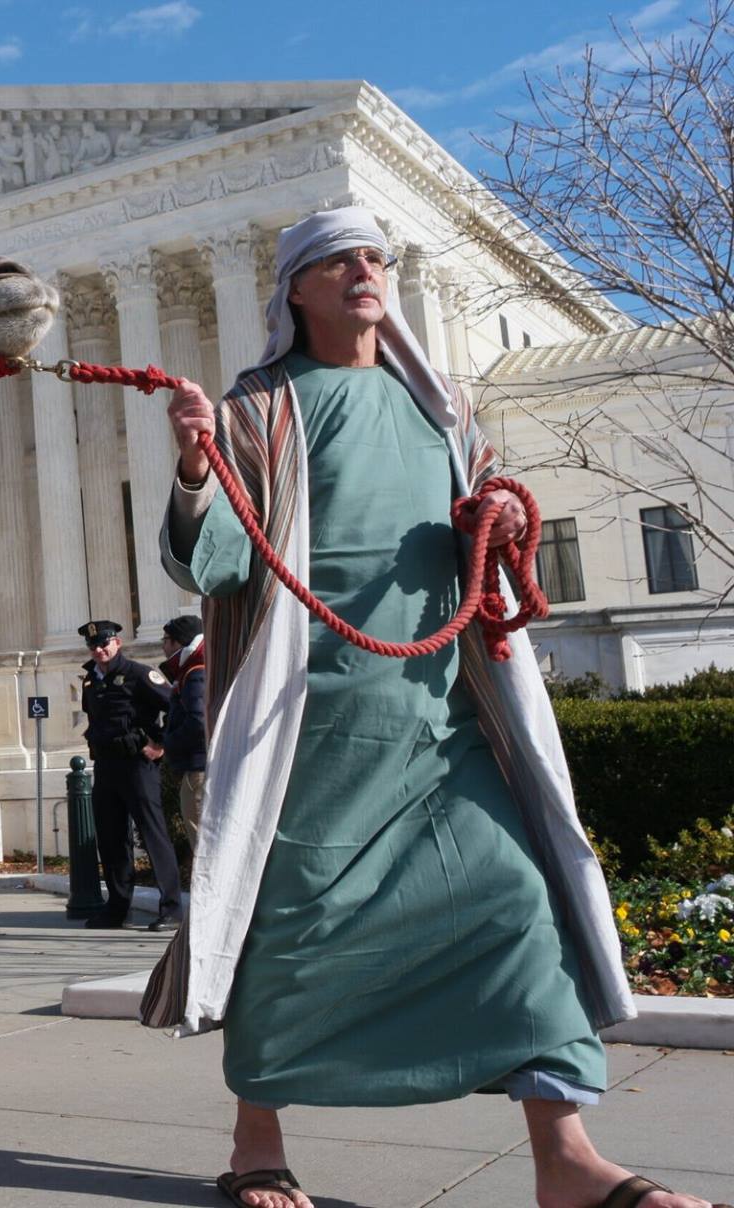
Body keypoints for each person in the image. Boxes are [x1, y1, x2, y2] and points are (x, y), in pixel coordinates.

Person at [160, 207, 716, 1208]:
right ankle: (255, 1142)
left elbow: (476, 499)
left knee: (512, 899)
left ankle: (566, 1160)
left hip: (438, 713)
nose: (361, 272)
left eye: (371, 256)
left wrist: (499, 510)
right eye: (333, 262)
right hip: (310, 719)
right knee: (285, 926)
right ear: (294, 290)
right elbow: (216, 560)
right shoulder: (258, 408)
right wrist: (197, 470)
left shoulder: (444, 406)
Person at [75, 619, 181, 931]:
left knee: (153, 835)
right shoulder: (90, 681)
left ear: (117, 643)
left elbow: (176, 705)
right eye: (93, 645)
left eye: (104, 643)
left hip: (137, 765)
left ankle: (171, 908)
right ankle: (117, 908)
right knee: (111, 839)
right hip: (106, 766)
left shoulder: (137, 673)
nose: (99, 649)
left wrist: (160, 744)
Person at [158, 614, 207, 836]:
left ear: (178, 643)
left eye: (165, 640)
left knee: (199, 836)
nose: (163, 646)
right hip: (197, 764)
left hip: (197, 768)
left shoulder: (194, 672)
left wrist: (169, 742)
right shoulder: (193, 669)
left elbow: (198, 721)